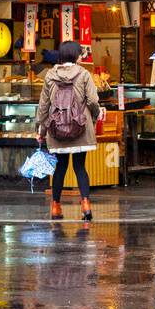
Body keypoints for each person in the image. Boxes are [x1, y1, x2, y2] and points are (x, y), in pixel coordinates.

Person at [37, 40, 102, 221]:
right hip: (80, 127)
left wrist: (41, 131)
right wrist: (94, 117)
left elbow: (43, 106)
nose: (82, 57)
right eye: (80, 54)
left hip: (57, 130)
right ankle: (86, 205)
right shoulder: (84, 74)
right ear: (74, 55)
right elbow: (92, 101)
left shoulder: (50, 75)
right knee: (80, 167)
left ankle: (56, 207)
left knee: (60, 167)